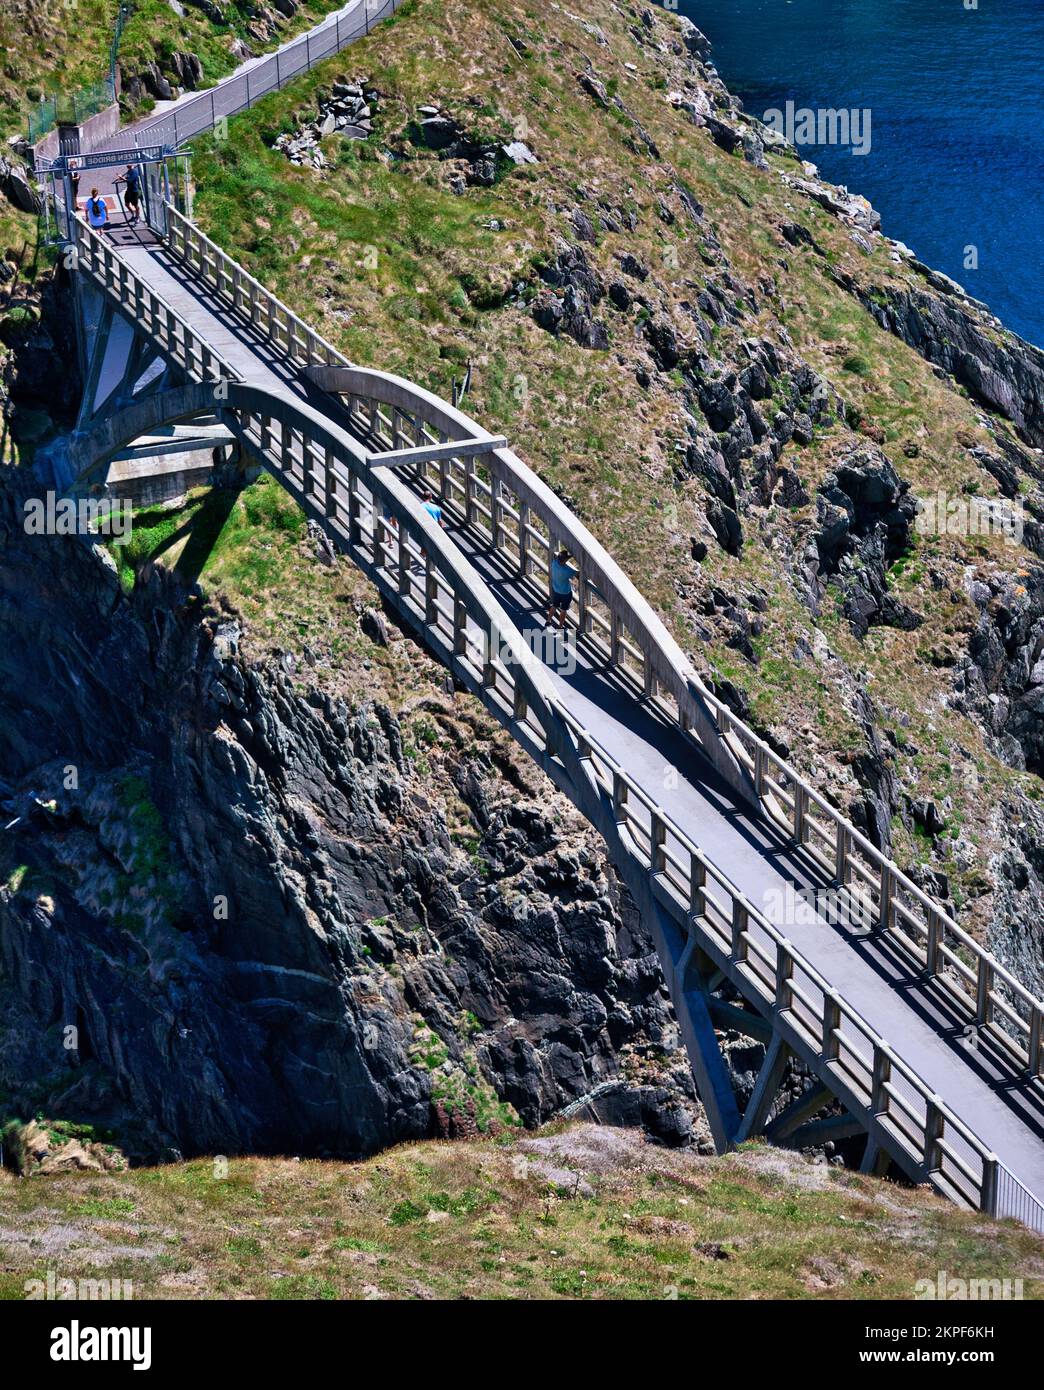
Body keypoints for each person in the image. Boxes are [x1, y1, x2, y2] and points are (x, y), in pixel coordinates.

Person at [546, 546, 577, 628]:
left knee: (554, 605)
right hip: (566, 593)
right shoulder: (567, 571)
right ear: (566, 560)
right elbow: (576, 573)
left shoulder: (554, 563)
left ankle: (548, 621)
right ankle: (560, 626)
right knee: (563, 610)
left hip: (556, 590)